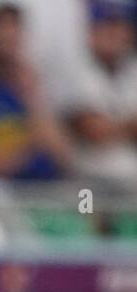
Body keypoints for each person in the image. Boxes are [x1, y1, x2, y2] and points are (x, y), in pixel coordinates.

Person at [0, 2, 73, 181]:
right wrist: (32, 142)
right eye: (1, 36)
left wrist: (31, 97)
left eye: (12, 36)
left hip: (52, 190)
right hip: (4, 192)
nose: (7, 41)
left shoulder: (37, 87)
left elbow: (64, 157)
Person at [60, 0, 137, 186]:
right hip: (88, 178)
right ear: (92, 32)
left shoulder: (132, 71)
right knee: (84, 210)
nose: (114, 34)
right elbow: (95, 131)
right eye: (106, 27)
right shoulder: (77, 69)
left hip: (130, 181)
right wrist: (129, 124)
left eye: (119, 27)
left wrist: (114, 125)